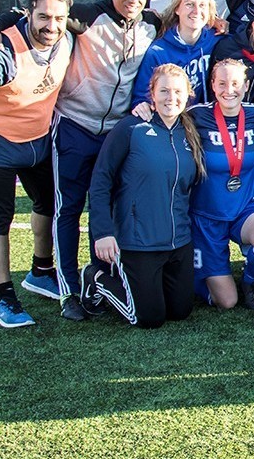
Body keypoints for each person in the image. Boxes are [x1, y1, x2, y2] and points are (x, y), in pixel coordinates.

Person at [0, 0, 163, 320]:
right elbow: (22, 17)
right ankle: (41, 293)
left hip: (92, 134)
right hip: (58, 130)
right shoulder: (82, 19)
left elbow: (185, 13)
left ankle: (75, 276)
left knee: (84, 206)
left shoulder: (147, 23)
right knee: (47, 211)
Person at [0, 0, 73, 327]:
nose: (52, 24)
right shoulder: (1, 49)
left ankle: (40, 270)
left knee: (49, 204)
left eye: (59, 17)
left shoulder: (66, 34)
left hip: (40, 141)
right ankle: (3, 298)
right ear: (29, 12)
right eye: (44, 16)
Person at [84, 64, 202, 328]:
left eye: (177, 91)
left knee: (181, 310)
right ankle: (96, 277)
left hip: (179, 241)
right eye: (164, 91)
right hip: (139, 242)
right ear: (152, 93)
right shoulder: (131, 128)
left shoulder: (190, 131)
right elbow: (101, 179)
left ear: (188, 94)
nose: (171, 98)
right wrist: (102, 232)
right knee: (148, 318)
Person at [187, 59, 254, 310]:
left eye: (235, 83)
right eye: (222, 83)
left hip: (244, 208)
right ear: (213, 85)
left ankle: (249, 280)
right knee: (227, 302)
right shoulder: (197, 115)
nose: (229, 90)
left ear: (246, 85)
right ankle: (197, 272)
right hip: (208, 215)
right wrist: (142, 108)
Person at [132, 0, 222, 107]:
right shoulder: (158, 52)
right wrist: (143, 106)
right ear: (177, 9)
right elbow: (142, 98)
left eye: (202, 5)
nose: (196, 11)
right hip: (173, 120)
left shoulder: (217, 40)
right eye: (189, 4)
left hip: (208, 120)